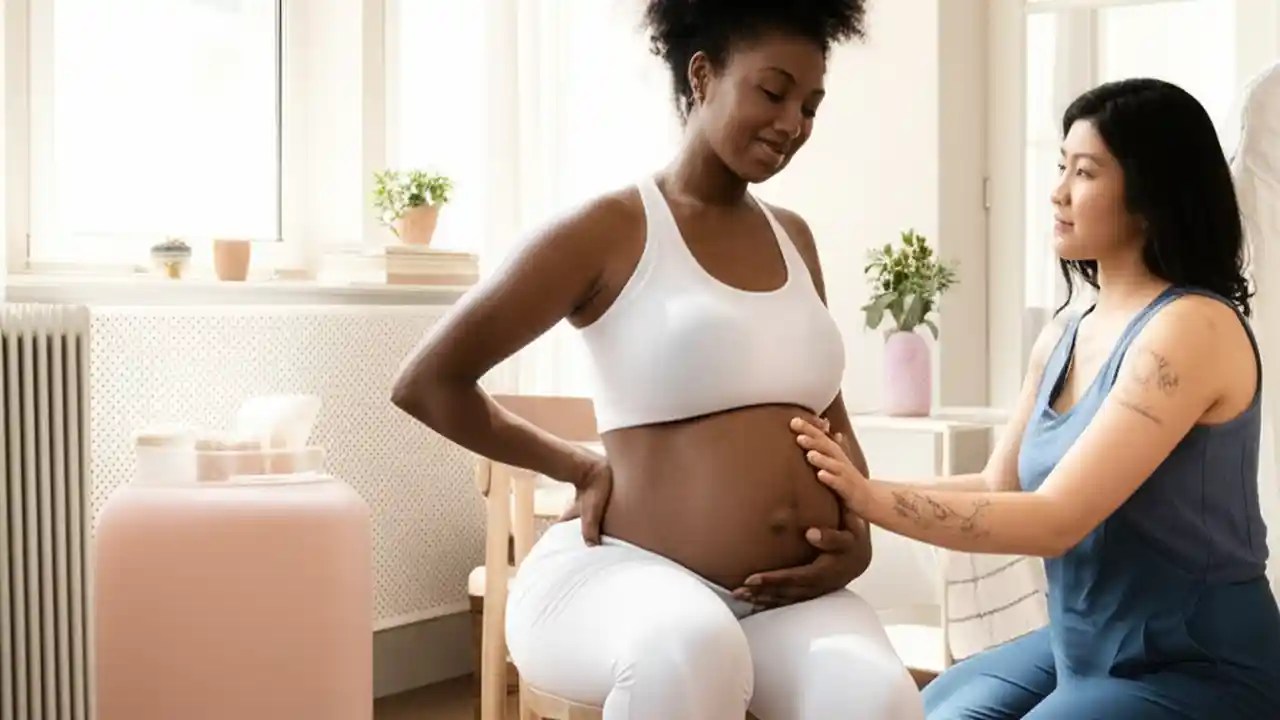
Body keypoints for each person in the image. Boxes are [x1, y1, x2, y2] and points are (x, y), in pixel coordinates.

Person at [391, 1, 925, 718]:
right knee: (690, 649)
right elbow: (428, 383)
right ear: (702, 75)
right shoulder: (608, 228)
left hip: (778, 600)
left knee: (877, 697)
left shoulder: (794, 237)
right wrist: (576, 464)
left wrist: (857, 535)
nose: (793, 123)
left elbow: (828, 415)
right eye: (773, 92)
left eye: (810, 105)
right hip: (622, 575)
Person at [793, 78, 1280, 719]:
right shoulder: (1064, 333)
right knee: (918, 712)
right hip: (1082, 647)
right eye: (1061, 167)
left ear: (1150, 194)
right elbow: (1002, 484)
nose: (1057, 192)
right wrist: (858, 484)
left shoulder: (1190, 328)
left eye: (1085, 172)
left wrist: (871, 501)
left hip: (1196, 665)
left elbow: (1055, 519)